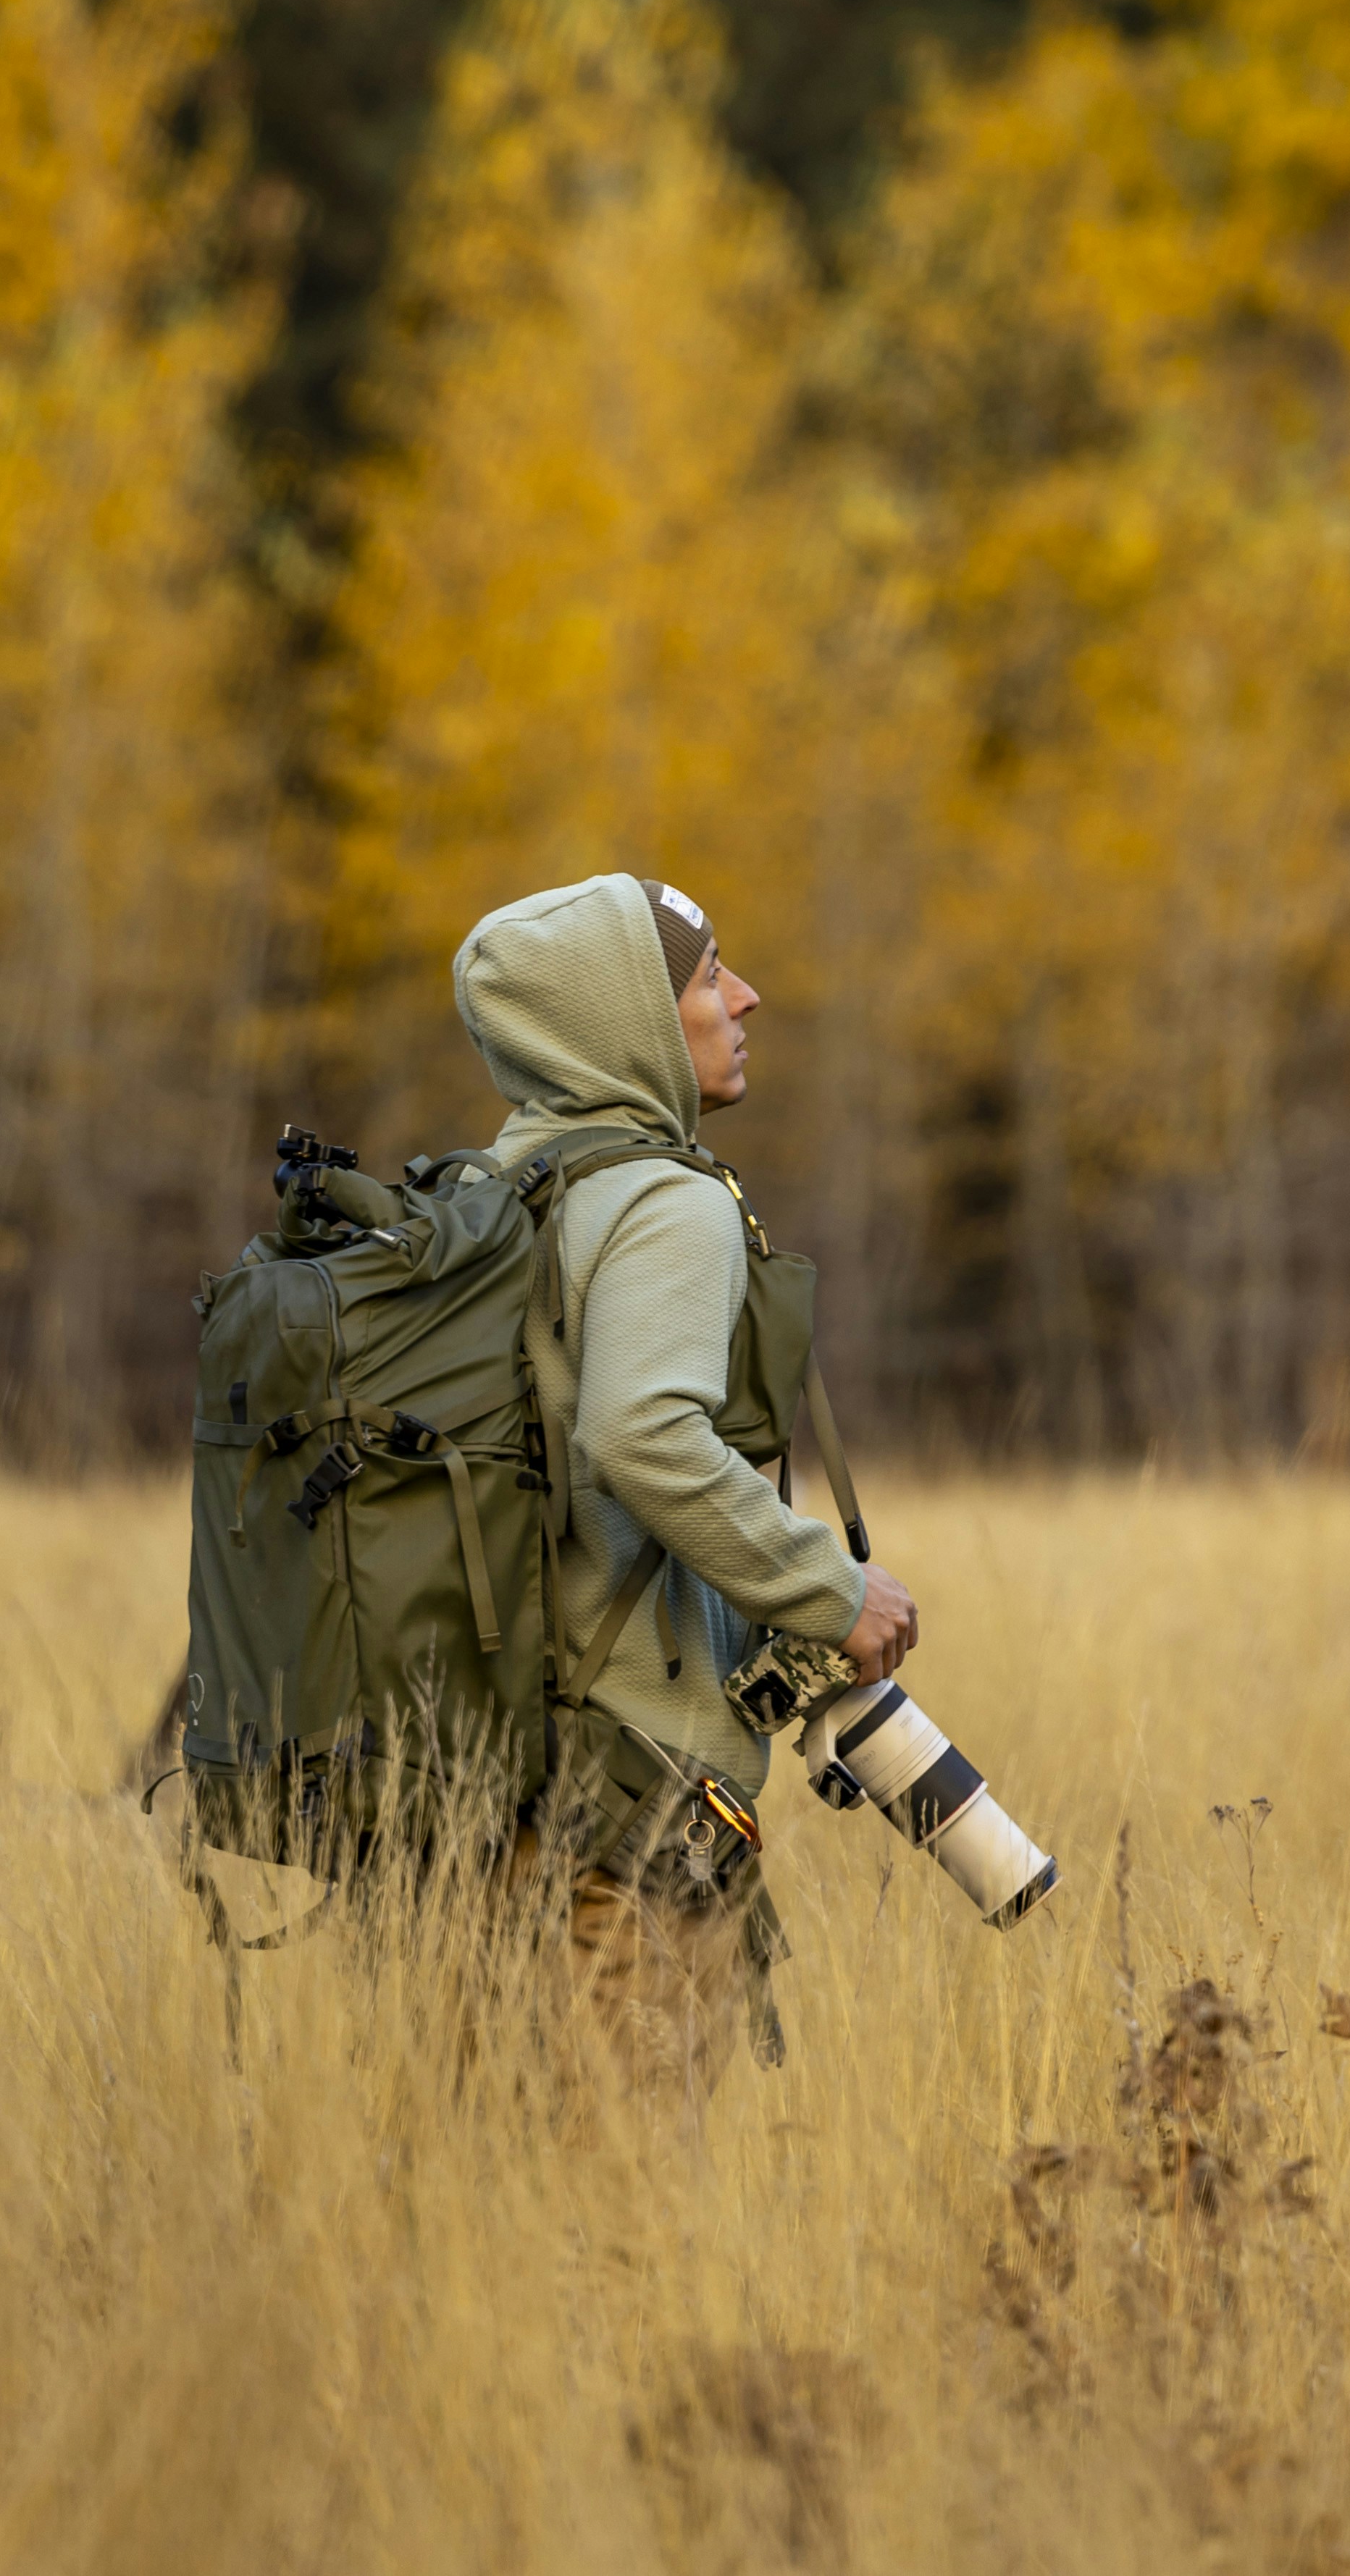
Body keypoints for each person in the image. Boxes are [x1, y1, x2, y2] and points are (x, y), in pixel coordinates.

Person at [453, 868, 918, 2100]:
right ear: (634, 1024)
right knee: (625, 2236)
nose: (745, 996)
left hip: (476, 1802)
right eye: (710, 976)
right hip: (622, 1820)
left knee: (477, 2212)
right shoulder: (663, 1202)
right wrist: (829, 1589)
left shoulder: (484, 1198)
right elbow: (643, 1434)